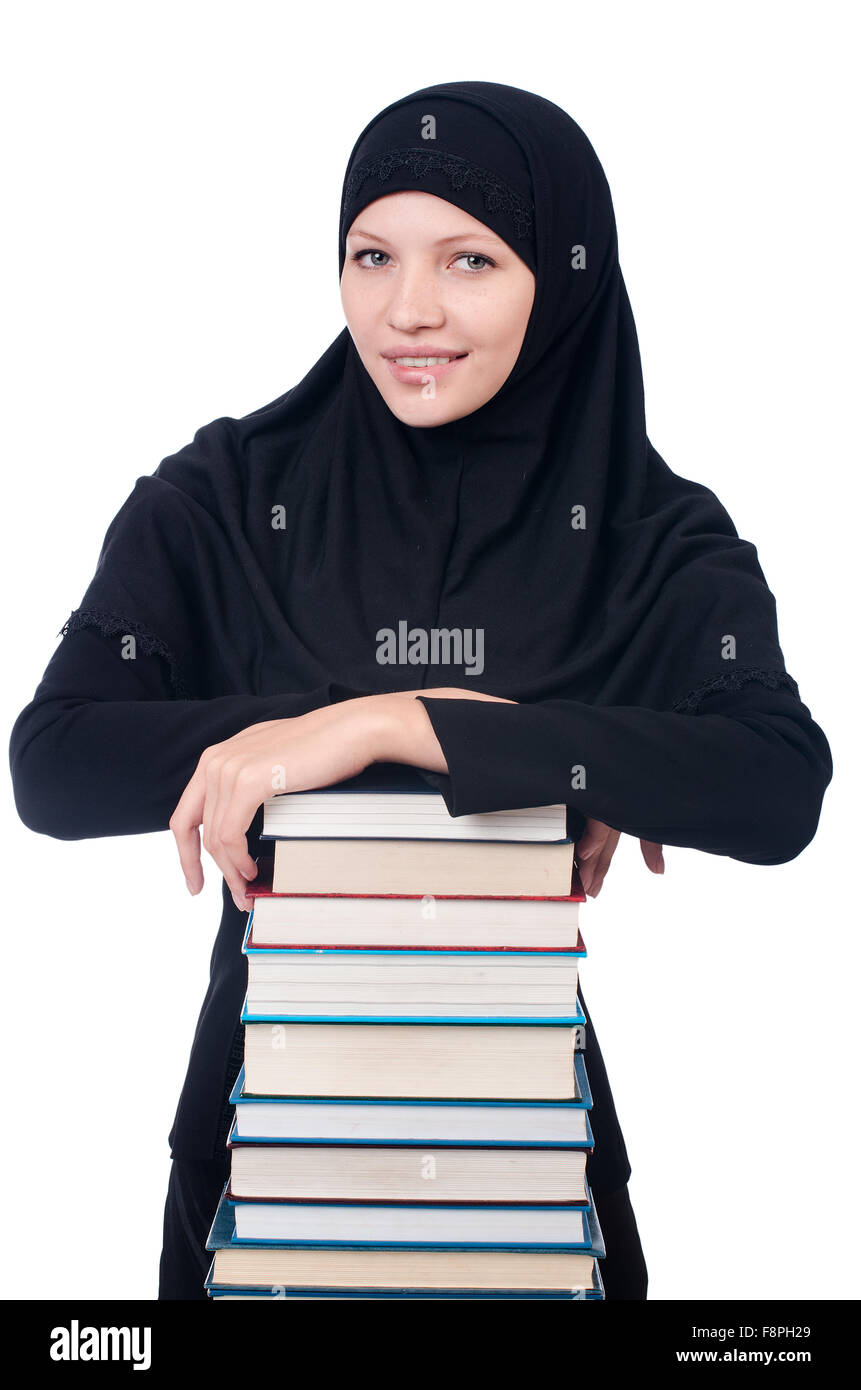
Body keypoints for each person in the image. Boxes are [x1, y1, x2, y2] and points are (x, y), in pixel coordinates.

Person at [9, 80, 831, 1303]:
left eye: (470, 260)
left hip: (531, 1167)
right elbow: (55, 763)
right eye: (372, 254)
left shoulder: (651, 535)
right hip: (259, 1146)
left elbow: (778, 786)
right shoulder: (230, 494)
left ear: (564, 276)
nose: (407, 312)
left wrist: (382, 725)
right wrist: (548, 753)